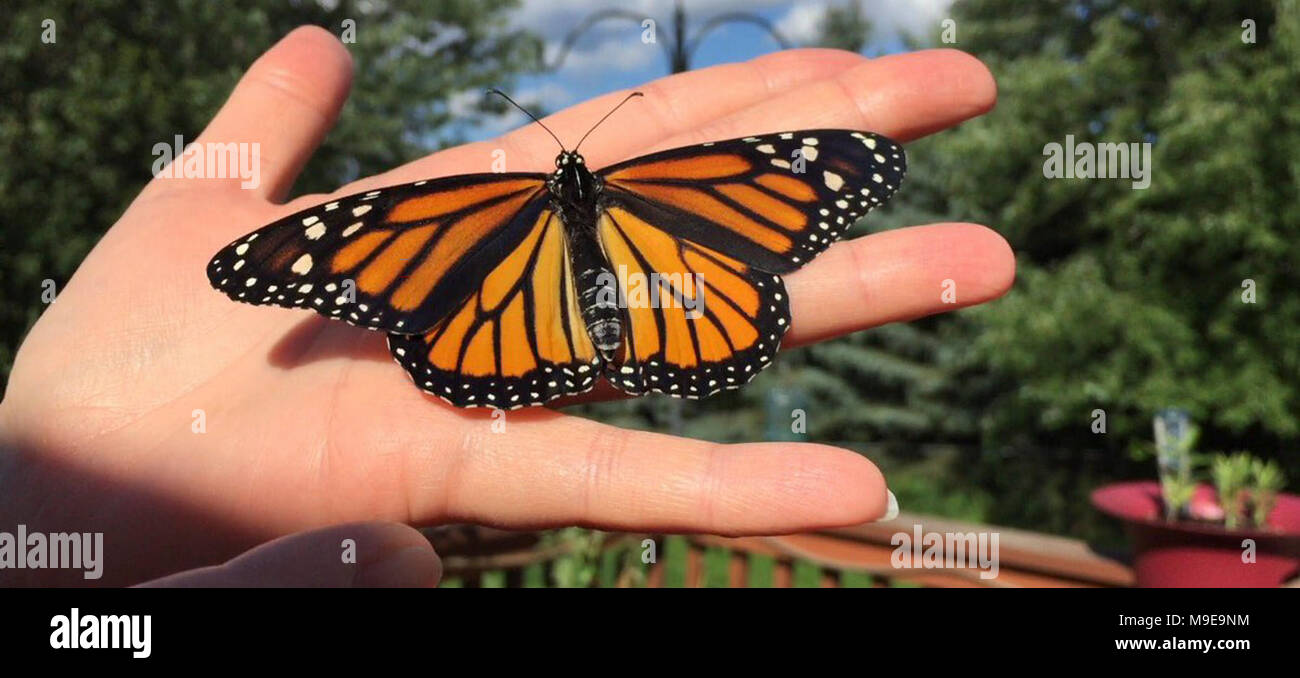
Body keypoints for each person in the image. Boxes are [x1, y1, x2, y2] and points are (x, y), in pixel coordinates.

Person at [0, 27, 1010, 586]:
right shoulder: (506, 205)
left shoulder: (477, 208)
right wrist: (35, 513)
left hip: (518, 308)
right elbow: (355, 251)